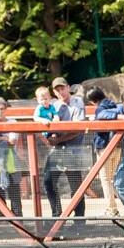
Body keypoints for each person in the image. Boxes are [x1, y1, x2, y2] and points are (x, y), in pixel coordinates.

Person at [44, 78, 87, 219]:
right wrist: (50, 137)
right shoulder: (54, 106)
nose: (61, 92)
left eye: (63, 88)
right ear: (54, 92)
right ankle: (57, 215)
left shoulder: (77, 102)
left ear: (68, 88)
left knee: (75, 185)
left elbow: (76, 129)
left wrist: (57, 138)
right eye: (57, 90)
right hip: (58, 148)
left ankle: (79, 220)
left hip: (73, 149)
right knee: (48, 180)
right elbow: (44, 125)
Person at [87, 86, 123, 215]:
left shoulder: (100, 109)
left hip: (104, 147)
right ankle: (117, 205)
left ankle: (111, 209)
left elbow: (102, 127)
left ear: (93, 101)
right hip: (117, 146)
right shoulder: (115, 105)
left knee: (105, 179)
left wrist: (94, 122)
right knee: (111, 178)